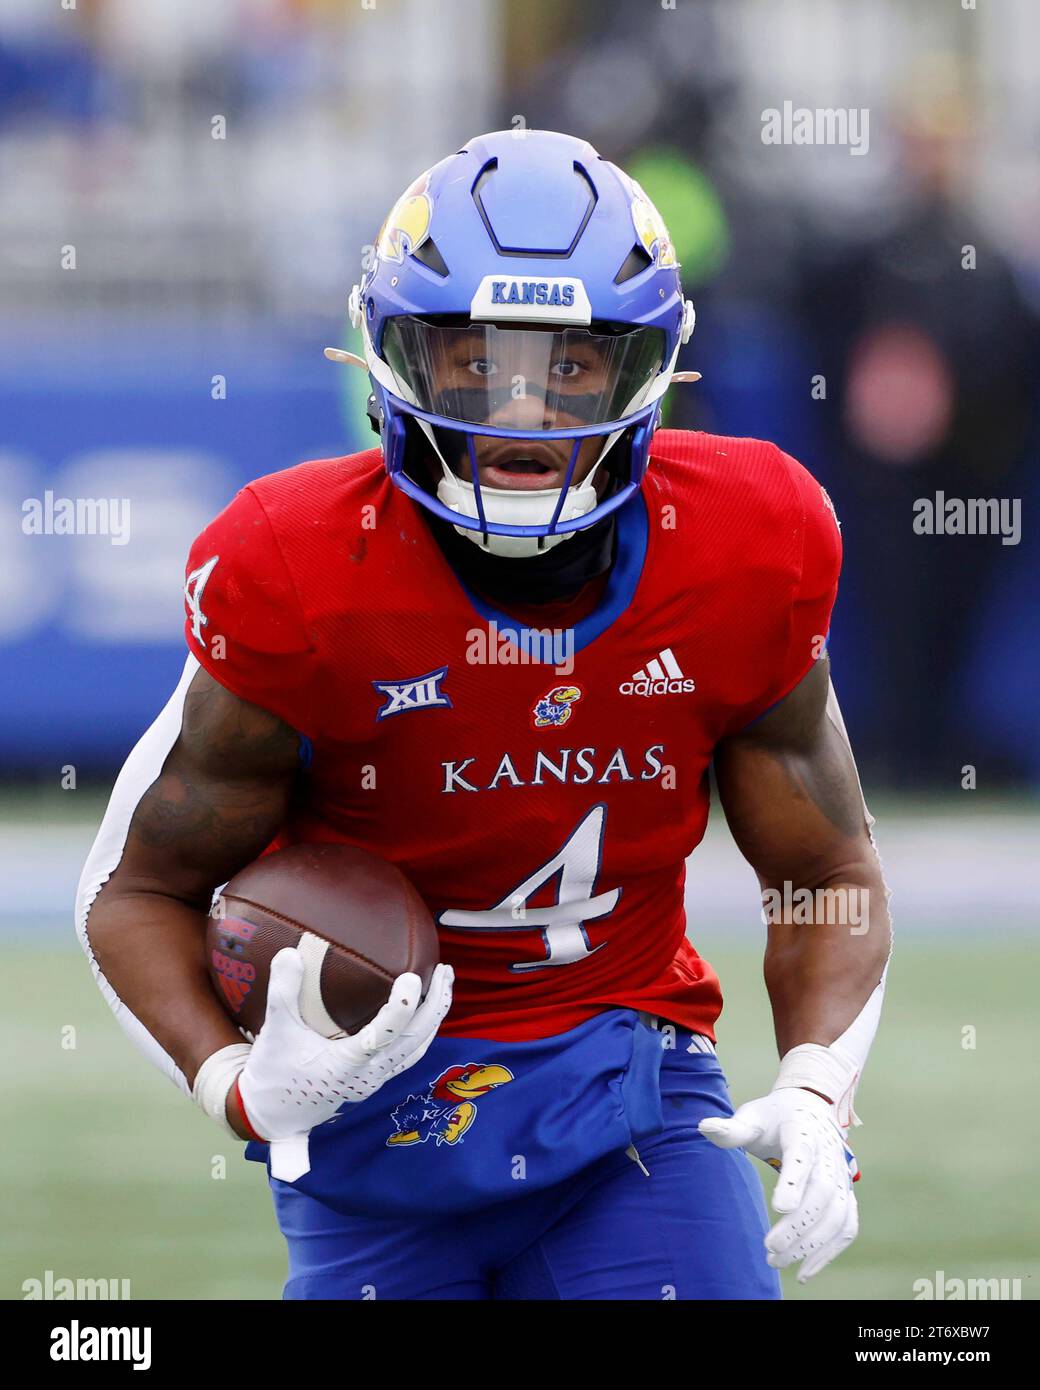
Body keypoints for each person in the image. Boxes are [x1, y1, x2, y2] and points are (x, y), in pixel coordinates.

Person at [76, 130, 891, 1301]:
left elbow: (826, 859)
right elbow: (133, 891)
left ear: (648, 367)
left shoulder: (748, 538)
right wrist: (239, 1086)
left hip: (630, 1092)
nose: (521, 413)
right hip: (374, 1121)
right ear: (393, 357)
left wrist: (818, 1085)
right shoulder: (297, 567)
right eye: (473, 357)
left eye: (570, 364)